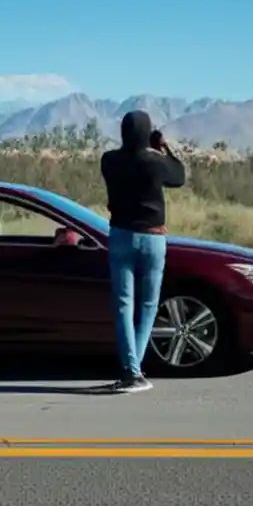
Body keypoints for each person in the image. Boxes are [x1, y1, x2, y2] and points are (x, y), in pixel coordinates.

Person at [99, 110, 186, 393]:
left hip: (121, 235)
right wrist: (164, 147)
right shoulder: (156, 162)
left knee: (123, 304)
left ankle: (131, 371)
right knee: (148, 305)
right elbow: (180, 176)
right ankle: (133, 371)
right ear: (147, 133)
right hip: (152, 238)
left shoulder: (109, 161)